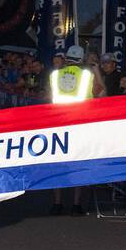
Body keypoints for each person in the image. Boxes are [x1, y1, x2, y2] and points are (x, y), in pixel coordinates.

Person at [48, 45, 95, 216]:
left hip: (59, 123)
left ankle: (57, 203)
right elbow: (90, 96)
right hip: (79, 123)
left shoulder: (55, 74)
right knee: (77, 164)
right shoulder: (86, 75)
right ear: (81, 59)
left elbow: (52, 97)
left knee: (57, 164)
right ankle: (76, 205)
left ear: (67, 58)